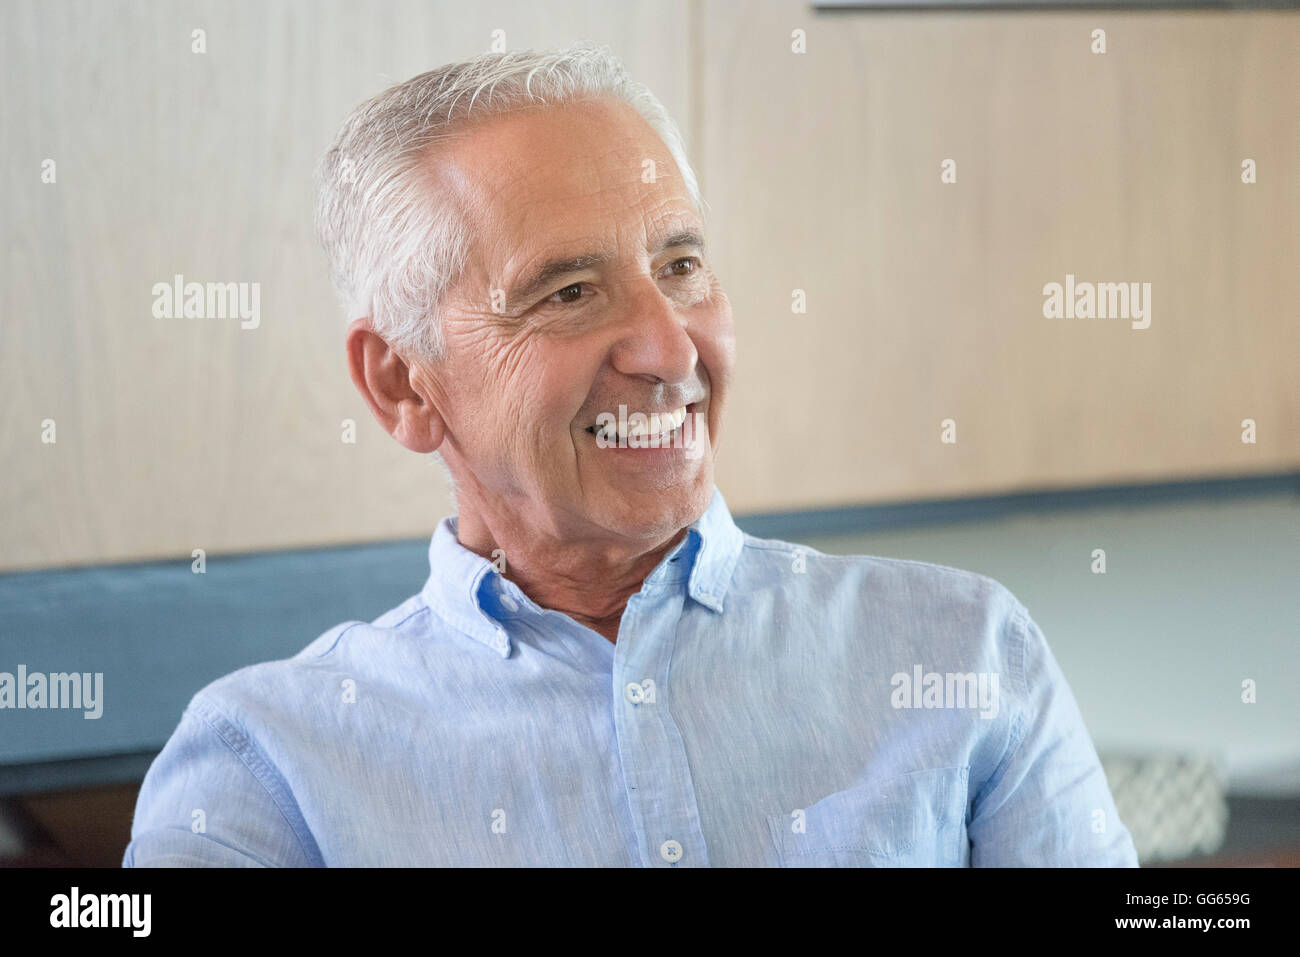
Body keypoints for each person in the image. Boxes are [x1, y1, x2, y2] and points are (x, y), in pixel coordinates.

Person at [124, 44, 1137, 867]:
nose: (669, 348)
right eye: (567, 292)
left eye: (681, 266)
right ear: (401, 384)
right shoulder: (263, 774)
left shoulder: (961, 654)